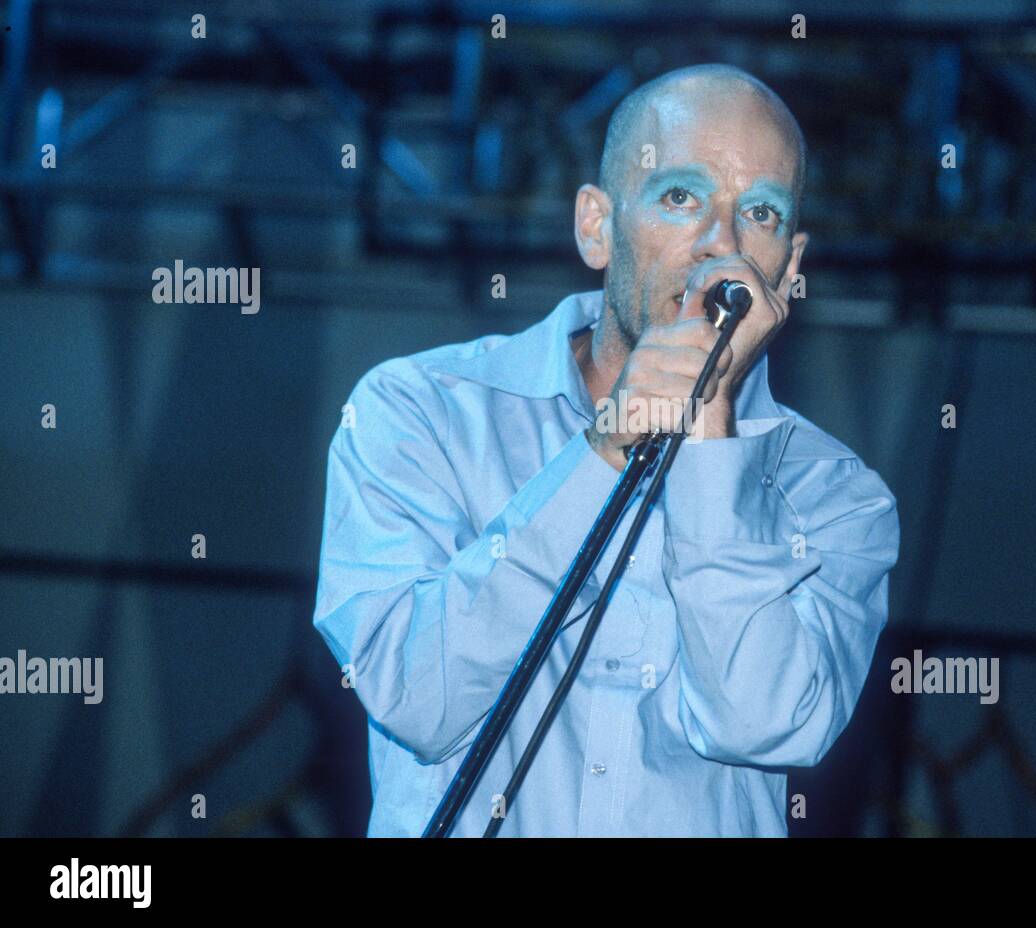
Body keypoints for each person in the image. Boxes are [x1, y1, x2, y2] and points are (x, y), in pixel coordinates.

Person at [312, 63, 900, 837]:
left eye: (759, 212)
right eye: (681, 197)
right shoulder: (419, 411)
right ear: (597, 226)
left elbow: (766, 726)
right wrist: (599, 453)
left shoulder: (837, 497)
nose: (719, 243)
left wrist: (709, 436)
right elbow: (419, 696)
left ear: (789, 270)